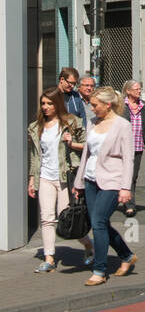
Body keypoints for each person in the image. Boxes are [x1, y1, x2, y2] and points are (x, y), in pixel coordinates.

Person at [72, 87, 137, 286]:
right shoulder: (92, 123)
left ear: (107, 105)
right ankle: (126, 256)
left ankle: (100, 270)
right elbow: (86, 154)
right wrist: (79, 182)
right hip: (91, 180)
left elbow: (129, 159)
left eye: (95, 105)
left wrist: (125, 188)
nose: (91, 109)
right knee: (99, 224)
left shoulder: (122, 125)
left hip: (112, 181)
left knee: (99, 221)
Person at [27, 88, 92, 272]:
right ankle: (49, 259)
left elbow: (89, 146)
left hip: (65, 177)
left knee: (68, 220)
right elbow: (35, 156)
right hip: (45, 177)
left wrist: (72, 143)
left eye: (49, 103)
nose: (45, 107)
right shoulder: (35, 127)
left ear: (57, 104)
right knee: (47, 219)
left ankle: (88, 245)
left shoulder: (71, 122)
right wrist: (32, 179)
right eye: (43, 104)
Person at [120, 80, 145, 216]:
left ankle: (130, 204)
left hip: (138, 146)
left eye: (140, 89)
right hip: (122, 147)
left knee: (133, 176)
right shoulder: (121, 106)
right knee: (120, 176)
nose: (139, 91)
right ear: (128, 91)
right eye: (136, 89)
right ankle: (119, 199)